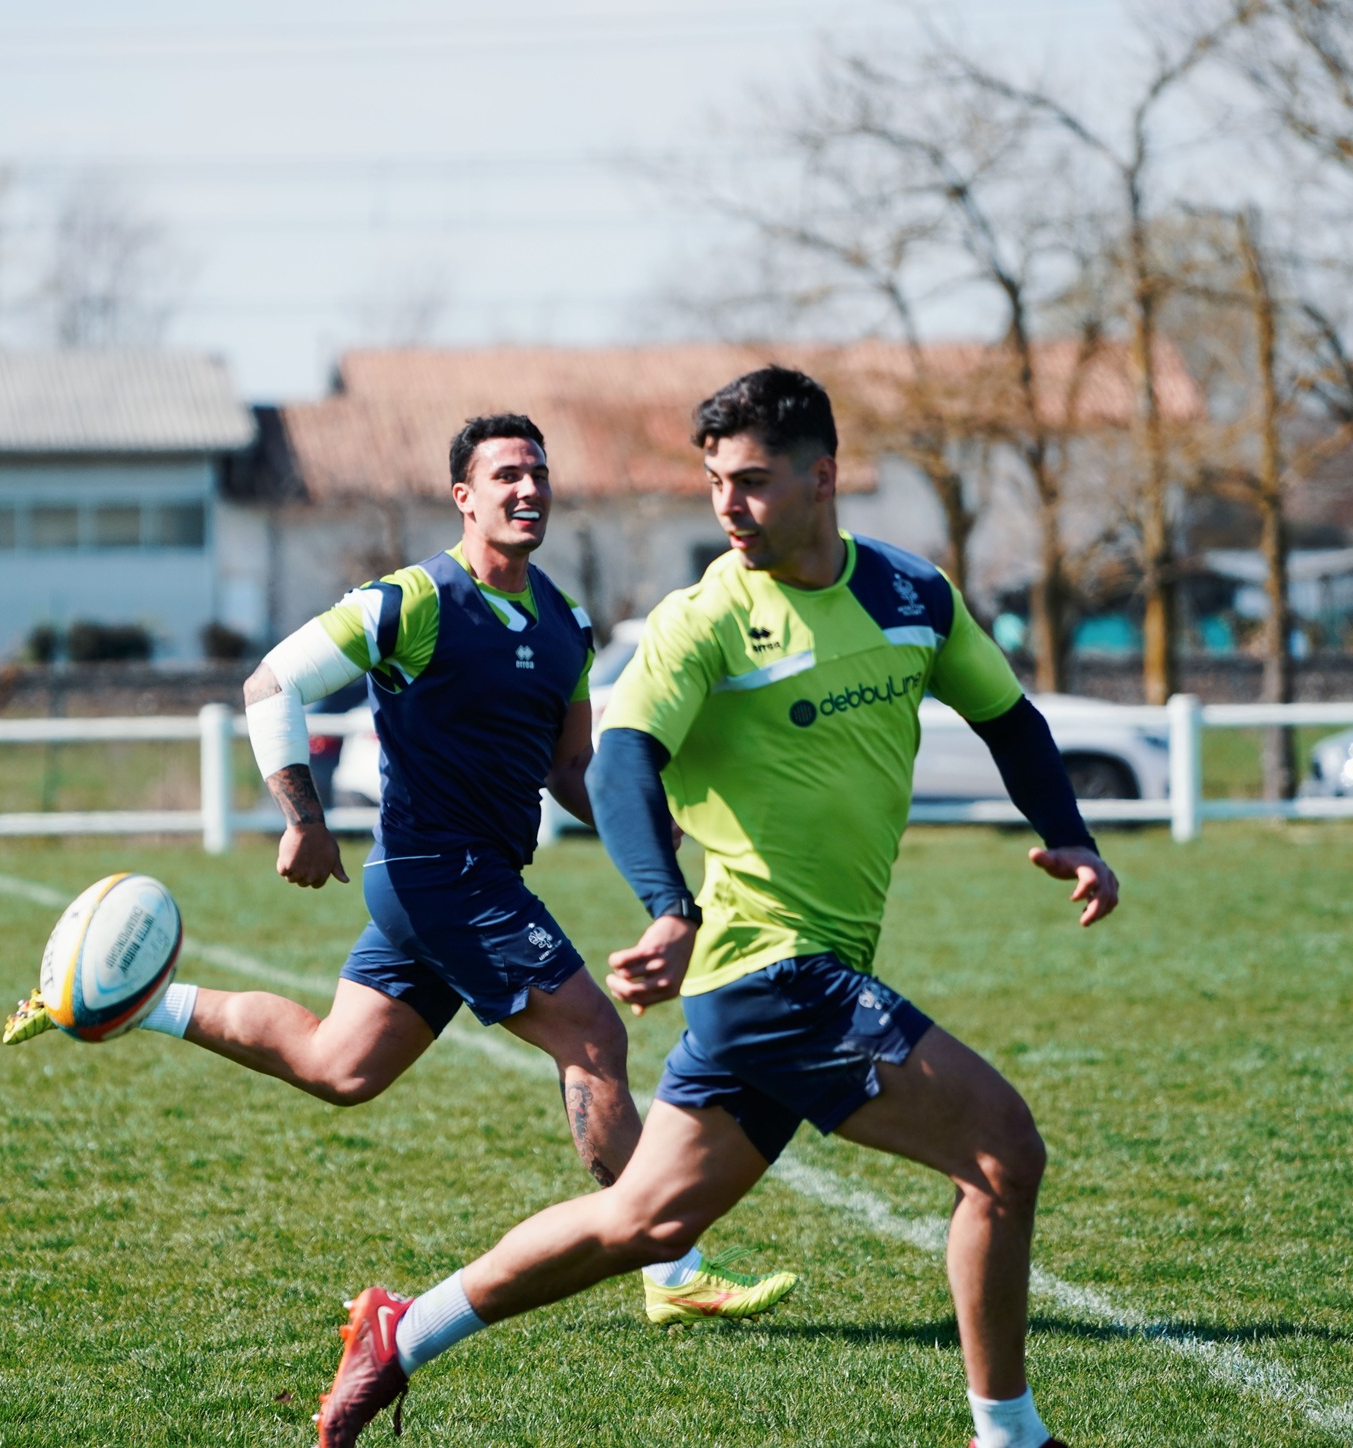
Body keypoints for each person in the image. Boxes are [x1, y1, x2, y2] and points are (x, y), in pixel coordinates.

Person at [313, 367, 1120, 1448]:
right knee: (1003, 1153)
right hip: (773, 971)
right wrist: (667, 906)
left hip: (795, 975)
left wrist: (1068, 828)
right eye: (713, 485)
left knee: (645, 1222)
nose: (727, 507)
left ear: (823, 477)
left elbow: (1008, 717)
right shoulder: (703, 620)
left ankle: (401, 1333)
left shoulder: (911, 595)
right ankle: (1009, 1436)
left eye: (750, 482)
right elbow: (617, 767)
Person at [6, 412, 798, 1324]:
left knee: (341, 1067)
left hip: (458, 880)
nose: (527, 489)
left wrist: (663, 831)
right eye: (505, 476)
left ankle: (132, 1000)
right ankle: (671, 1267)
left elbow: (573, 770)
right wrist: (303, 817)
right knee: (592, 1036)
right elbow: (272, 683)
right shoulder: (412, 600)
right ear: (464, 497)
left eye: (538, 474)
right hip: (440, 871)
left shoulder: (567, 623)